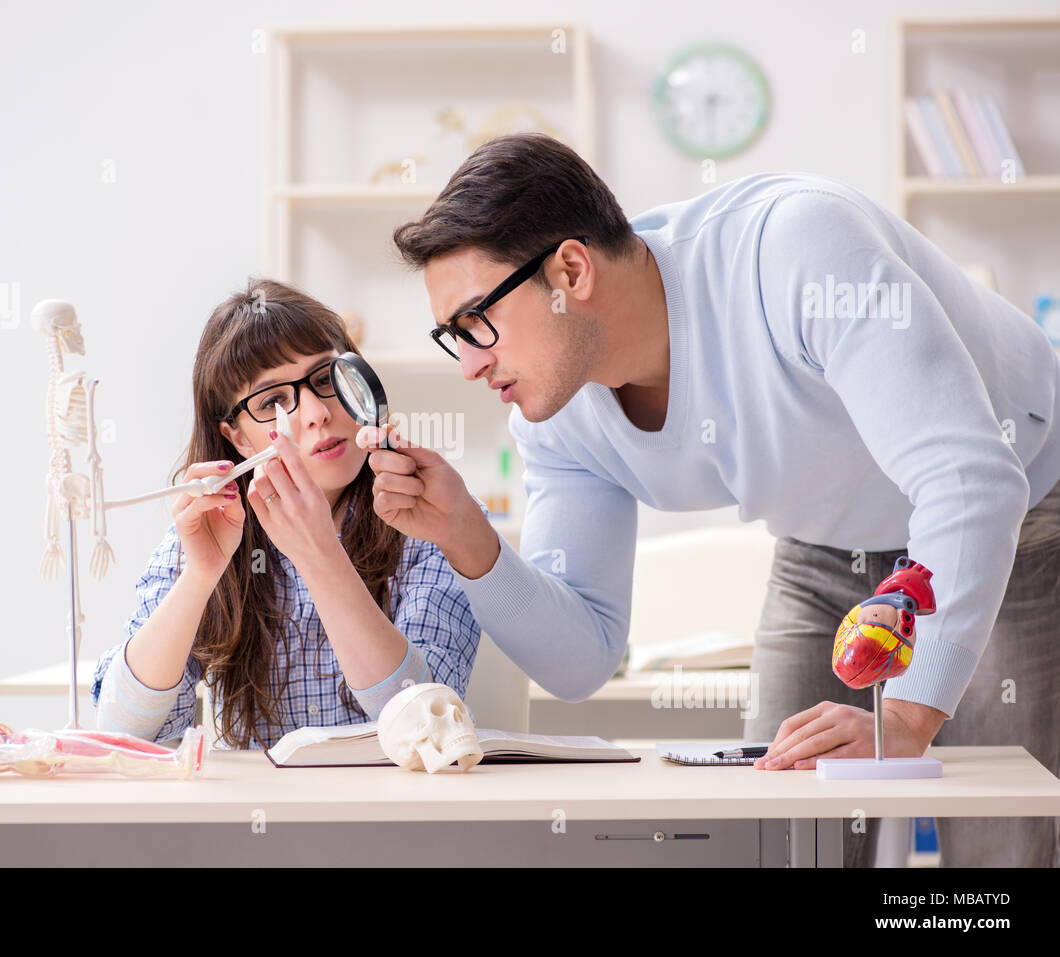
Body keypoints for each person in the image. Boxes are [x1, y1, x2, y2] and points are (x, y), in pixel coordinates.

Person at [358, 132, 1060, 867]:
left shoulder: (799, 249)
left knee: (995, 845)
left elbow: (969, 478)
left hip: (1015, 510)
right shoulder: (555, 418)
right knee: (779, 834)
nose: (469, 364)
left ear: (571, 268)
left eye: (477, 321)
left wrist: (911, 716)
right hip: (824, 546)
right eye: (452, 337)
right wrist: (467, 535)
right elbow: (579, 660)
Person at [91, 278, 481, 750]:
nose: (316, 412)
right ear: (237, 439)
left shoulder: (434, 520)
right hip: (258, 820)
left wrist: (319, 555)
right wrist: (200, 576)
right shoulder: (208, 536)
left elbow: (428, 723)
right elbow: (122, 732)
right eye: (273, 401)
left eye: (324, 379)